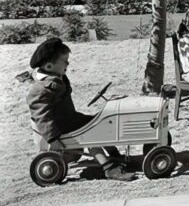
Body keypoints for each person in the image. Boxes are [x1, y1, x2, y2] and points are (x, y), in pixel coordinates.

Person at [27, 38, 135, 181]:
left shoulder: (56, 76)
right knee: (90, 134)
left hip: (70, 119)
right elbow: (41, 115)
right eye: (64, 61)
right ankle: (109, 169)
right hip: (60, 127)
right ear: (48, 66)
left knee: (100, 122)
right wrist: (53, 138)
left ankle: (115, 156)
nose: (68, 63)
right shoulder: (40, 88)